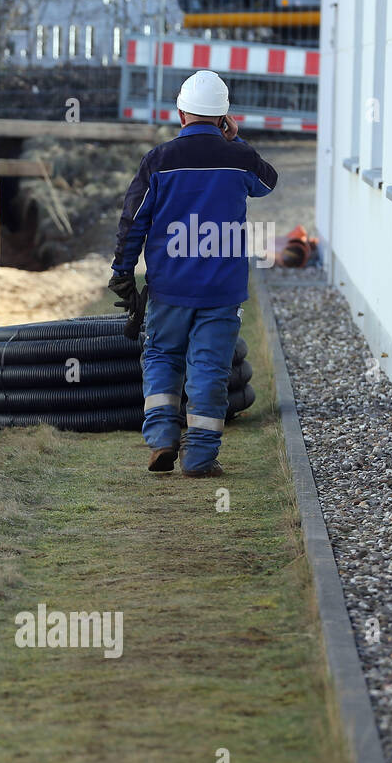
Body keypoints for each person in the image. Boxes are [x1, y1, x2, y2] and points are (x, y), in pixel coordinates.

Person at [109, 70, 278, 477]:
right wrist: (234, 139)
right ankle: (200, 458)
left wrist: (122, 270)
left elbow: (133, 220)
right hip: (222, 291)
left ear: (181, 112)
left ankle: (163, 438)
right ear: (223, 117)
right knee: (209, 368)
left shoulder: (159, 161)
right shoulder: (239, 160)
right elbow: (268, 181)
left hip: (170, 288)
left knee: (163, 358)